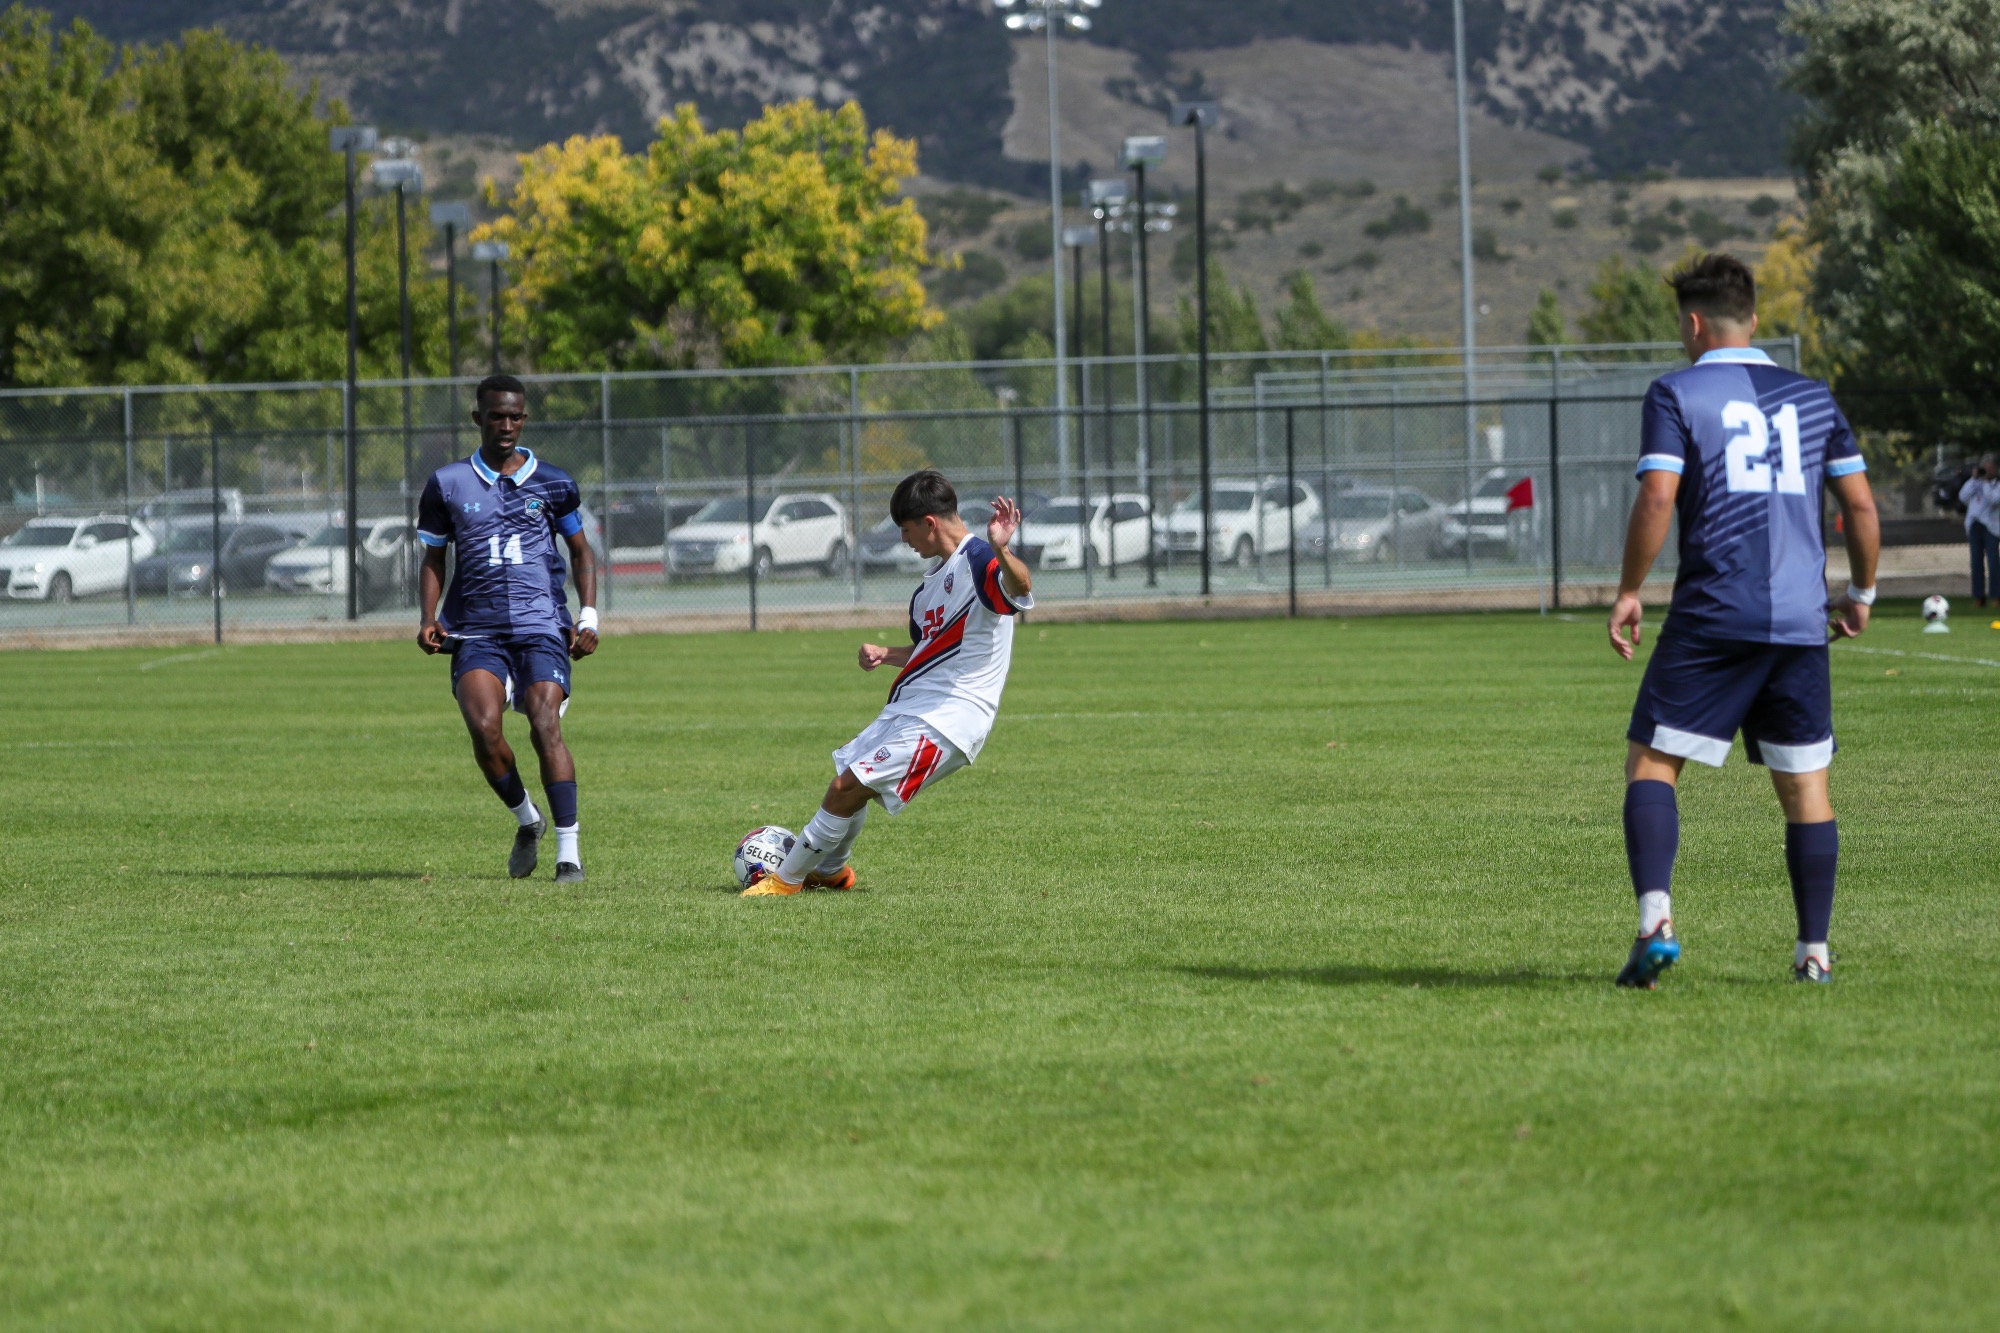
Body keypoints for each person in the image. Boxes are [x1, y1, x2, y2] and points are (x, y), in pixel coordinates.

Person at [1607, 253, 1880, 987]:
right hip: (1800, 621)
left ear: (1694, 324)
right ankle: (1813, 953)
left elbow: (1657, 496)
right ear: (1754, 319)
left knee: (1652, 761)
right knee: (1805, 786)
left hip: (1713, 613)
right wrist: (1861, 592)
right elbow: (1859, 504)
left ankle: (1656, 921)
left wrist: (1630, 589)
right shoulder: (1814, 397)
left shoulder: (1675, 391)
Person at [742, 470, 1032, 897]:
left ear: (929, 523)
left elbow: (1020, 586)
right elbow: (934, 648)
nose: (903, 539)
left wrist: (1002, 549)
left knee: (845, 788)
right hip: (914, 707)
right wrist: (887, 653)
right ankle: (831, 871)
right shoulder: (930, 587)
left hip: (950, 717)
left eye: (906, 529)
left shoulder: (979, 560)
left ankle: (785, 881)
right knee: (847, 777)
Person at [415, 373, 599, 883]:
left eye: (515, 416)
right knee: (484, 727)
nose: (506, 425)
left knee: (545, 722)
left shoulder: (553, 482)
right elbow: (434, 557)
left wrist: (588, 616)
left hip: (541, 626)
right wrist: (428, 618)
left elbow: (582, 552)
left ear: (524, 419)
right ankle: (527, 819)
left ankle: (569, 854)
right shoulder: (447, 483)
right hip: (476, 630)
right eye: (496, 416)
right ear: (479, 418)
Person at [1958, 456, 2000, 608]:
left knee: (1993, 562)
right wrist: (1973, 479)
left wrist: (1985, 483)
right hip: (1974, 525)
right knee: (1976, 563)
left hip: (1991, 527)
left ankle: (1996, 596)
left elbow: (1993, 500)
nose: (1986, 472)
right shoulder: (1974, 483)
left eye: (1990, 469)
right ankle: (1978, 597)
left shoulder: (1996, 486)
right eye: (1984, 468)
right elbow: (1962, 496)